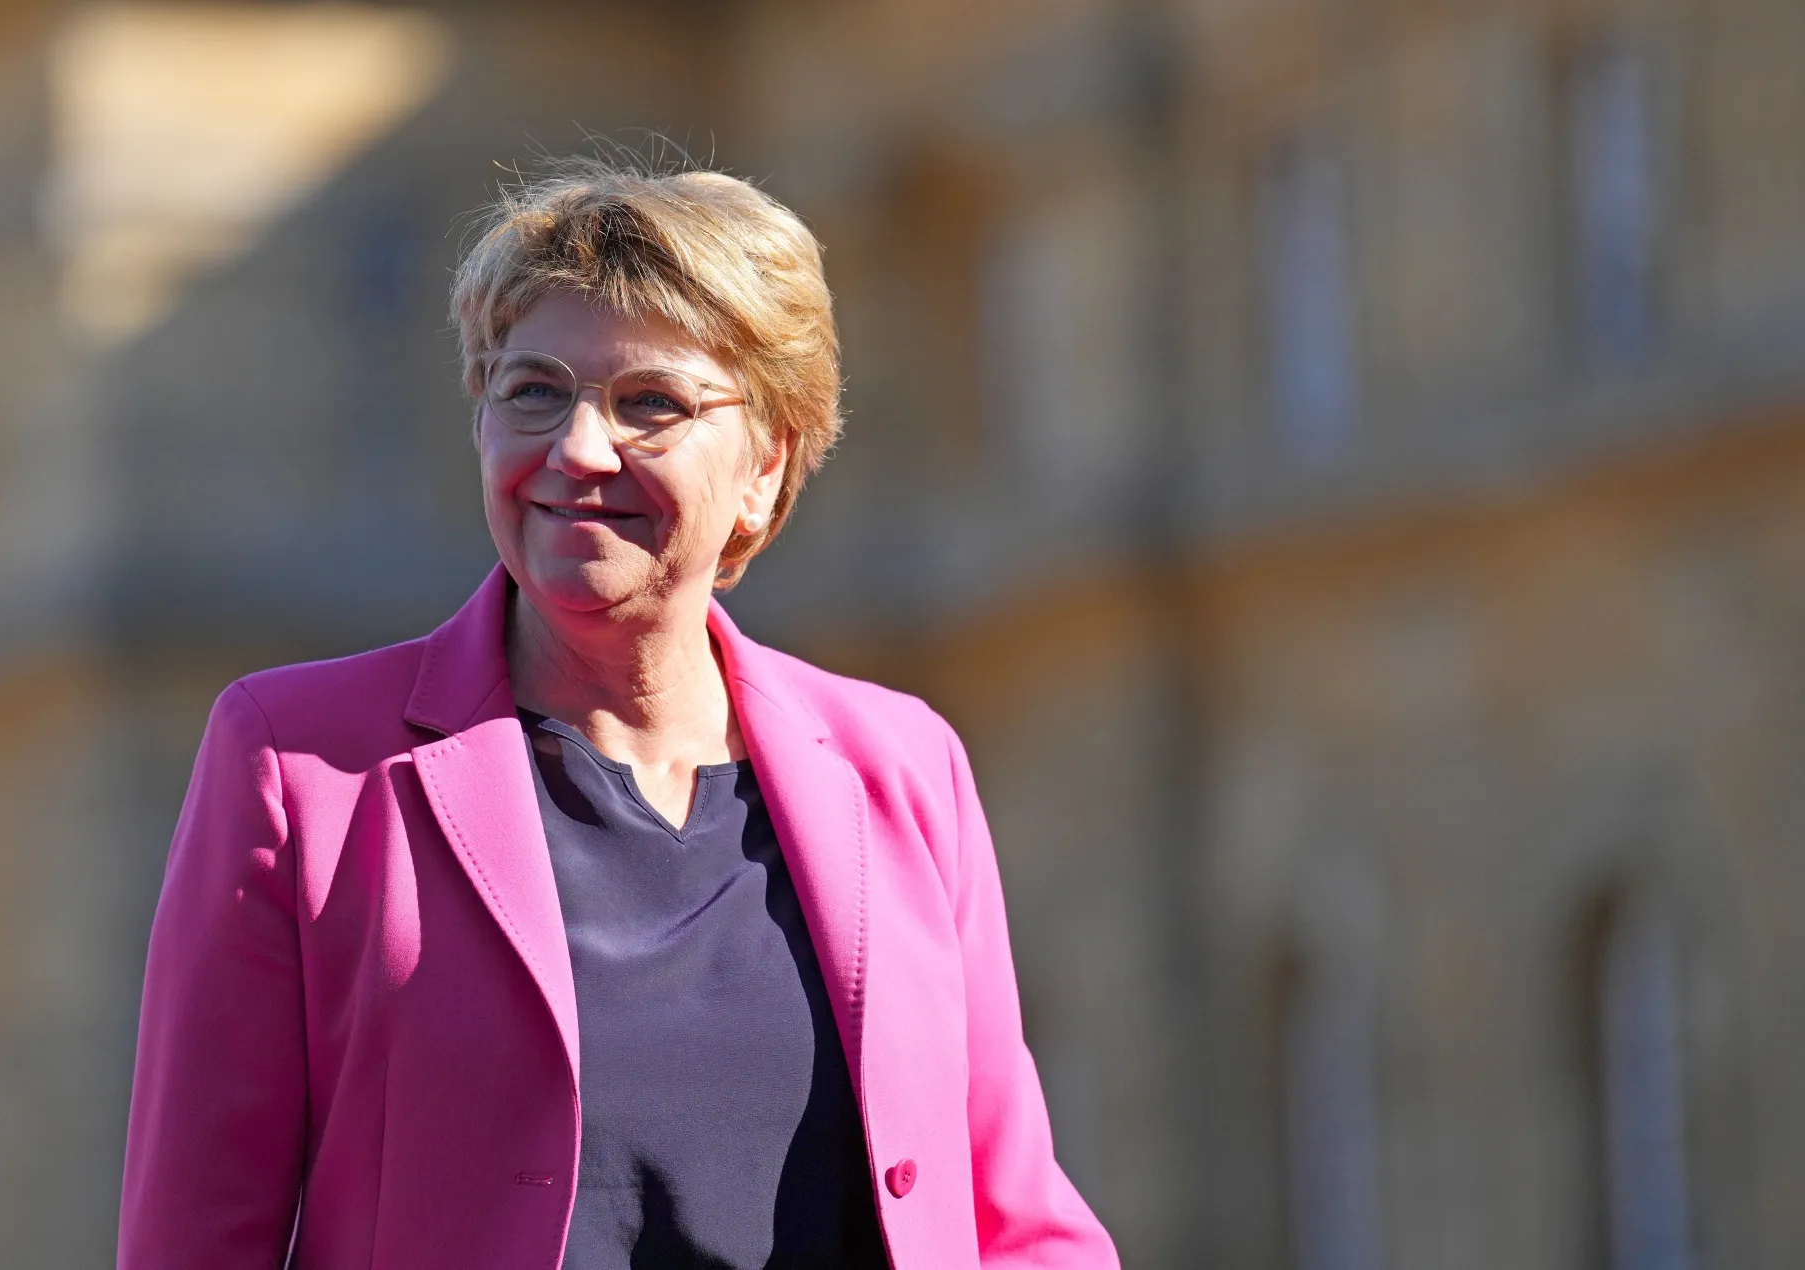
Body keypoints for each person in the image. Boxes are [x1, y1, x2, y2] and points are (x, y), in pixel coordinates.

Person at [117, 157, 1118, 1269]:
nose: (578, 447)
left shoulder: (902, 764)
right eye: (532, 390)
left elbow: (1013, 1218)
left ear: (764, 464)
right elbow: (193, 1238)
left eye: (648, 402)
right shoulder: (301, 763)